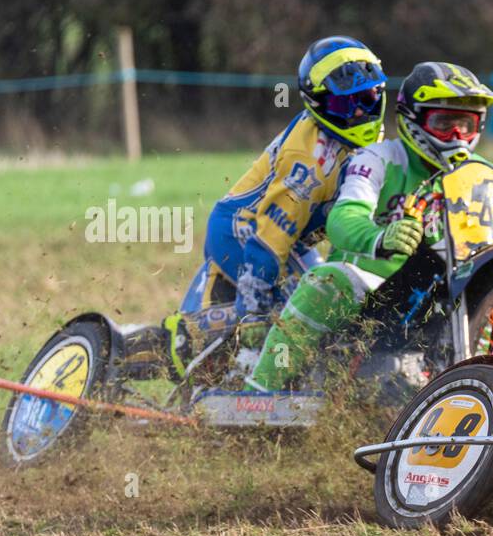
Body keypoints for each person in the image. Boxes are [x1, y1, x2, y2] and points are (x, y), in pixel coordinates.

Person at [245, 62, 493, 391]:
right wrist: (380, 238)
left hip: (444, 292)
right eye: (443, 123)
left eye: (466, 125)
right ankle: (259, 390)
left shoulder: (481, 175)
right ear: (413, 117)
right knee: (328, 280)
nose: (456, 137)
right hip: (370, 293)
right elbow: (343, 218)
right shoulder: (379, 159)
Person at [162, 36, 388, 377]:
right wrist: (254, 312)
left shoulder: (369, 143)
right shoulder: (308, 162)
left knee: (329, 298)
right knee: (302, 304)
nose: (360, 112)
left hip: (289, 239)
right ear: (319, 104)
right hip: (243, 230)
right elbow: (271, 240)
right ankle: (203, 340)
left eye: (368, 98)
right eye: (346, 104)